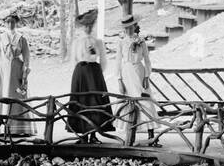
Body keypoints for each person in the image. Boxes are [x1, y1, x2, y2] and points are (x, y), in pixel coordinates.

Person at [67, 8, 115, 145]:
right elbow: (74, 60)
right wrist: (79, 73)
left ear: (93, 26)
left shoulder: (98, 42)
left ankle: (93, 134)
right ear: (82, 27)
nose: (88, 28)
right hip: (81, 73)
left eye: (90, 25)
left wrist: (97, 73)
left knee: (94, 102)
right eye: (85, 26)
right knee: (81, 102)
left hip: (94, 74)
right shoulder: (77, 42)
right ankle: (82, 135)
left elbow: (104, 60)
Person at [117, 13, 157, 146]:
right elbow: (118, 62)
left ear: (135, 26)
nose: (129, 30)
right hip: (127, 73)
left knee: (145, 100)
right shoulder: (122, 42)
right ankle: (130, 134)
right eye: (126, 28)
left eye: (131, 27)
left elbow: (147, 60)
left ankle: (151, 134)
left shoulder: (141, 42)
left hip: (139, 72)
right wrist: (119, 80)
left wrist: (147, 76)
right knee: (129, 103)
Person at [0, 11, 32, 138]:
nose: (10, 24)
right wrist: (2, 67)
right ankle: (3, 127)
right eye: (8, 22)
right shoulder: (0, 37)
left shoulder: (21, 38)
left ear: (16, 23)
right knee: (4, 95)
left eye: (12, 22)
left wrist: (24, 72)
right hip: (4, 70)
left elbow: (26, 57)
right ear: (4, 23)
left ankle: (18, 128)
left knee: (17, 96)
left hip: (17, 70)